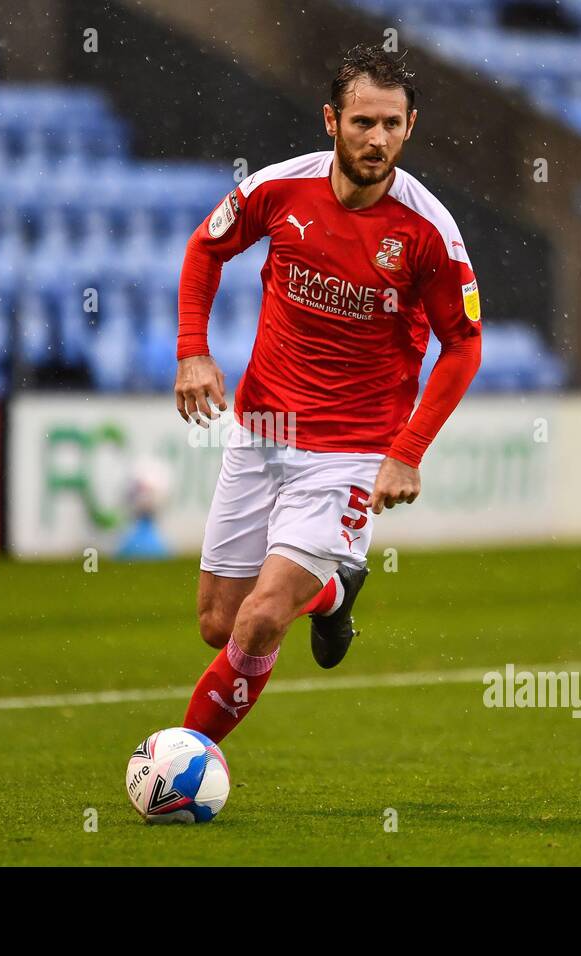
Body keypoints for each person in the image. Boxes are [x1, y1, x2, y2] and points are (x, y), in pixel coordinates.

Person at [174, 44, 483, 744]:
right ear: (330, 121)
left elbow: (464, 343)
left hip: (351, 451)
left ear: (411, 128)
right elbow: (205, 248)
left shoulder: (428, 231)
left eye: (393, 125)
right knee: (219, 624)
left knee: (260, 619)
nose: (377, 140)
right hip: (263, 430)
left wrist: (406, 452)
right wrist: (193, 350)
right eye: (363, 123)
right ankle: (336, 590)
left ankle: (180, 766)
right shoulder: (279, 190)